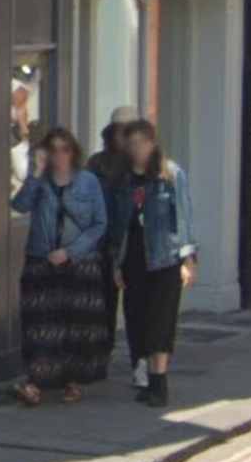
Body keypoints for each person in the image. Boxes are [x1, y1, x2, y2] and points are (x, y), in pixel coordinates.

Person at [10, 128, 110, 405]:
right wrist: (35, 172)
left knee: (74, 326)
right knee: (39, 324)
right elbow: (18, 205)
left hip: (78, 264)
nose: (59, 155)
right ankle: (35, 381)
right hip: (41, 260)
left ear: (74, 152)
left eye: (65, 149)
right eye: (53, 149)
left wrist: (71, 251)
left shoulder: (88, 181)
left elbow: (100, 223)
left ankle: (71, 381)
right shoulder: (40, 182)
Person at [107, 120, 197, 409]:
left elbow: (183, 217)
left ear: (152, 144)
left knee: (161, 322)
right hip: (133, 260)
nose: (135, 150)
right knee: (137, 321)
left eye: (140, 144)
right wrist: (117, 265)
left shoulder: (171, 175)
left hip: (164, 258)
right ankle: (146, 380)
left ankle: (159, 384)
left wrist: (187, 259)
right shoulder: (122, 181)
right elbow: (119, 226)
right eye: (130, 145)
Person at [88, 106, 139, 389]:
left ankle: (139, 362)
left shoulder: (142, 165)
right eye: (122, 132)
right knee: (103, 304)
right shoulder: (97, 164)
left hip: (133, 243)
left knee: (136, 307)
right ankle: (100, 356)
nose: (127, 138)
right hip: (102, 243)